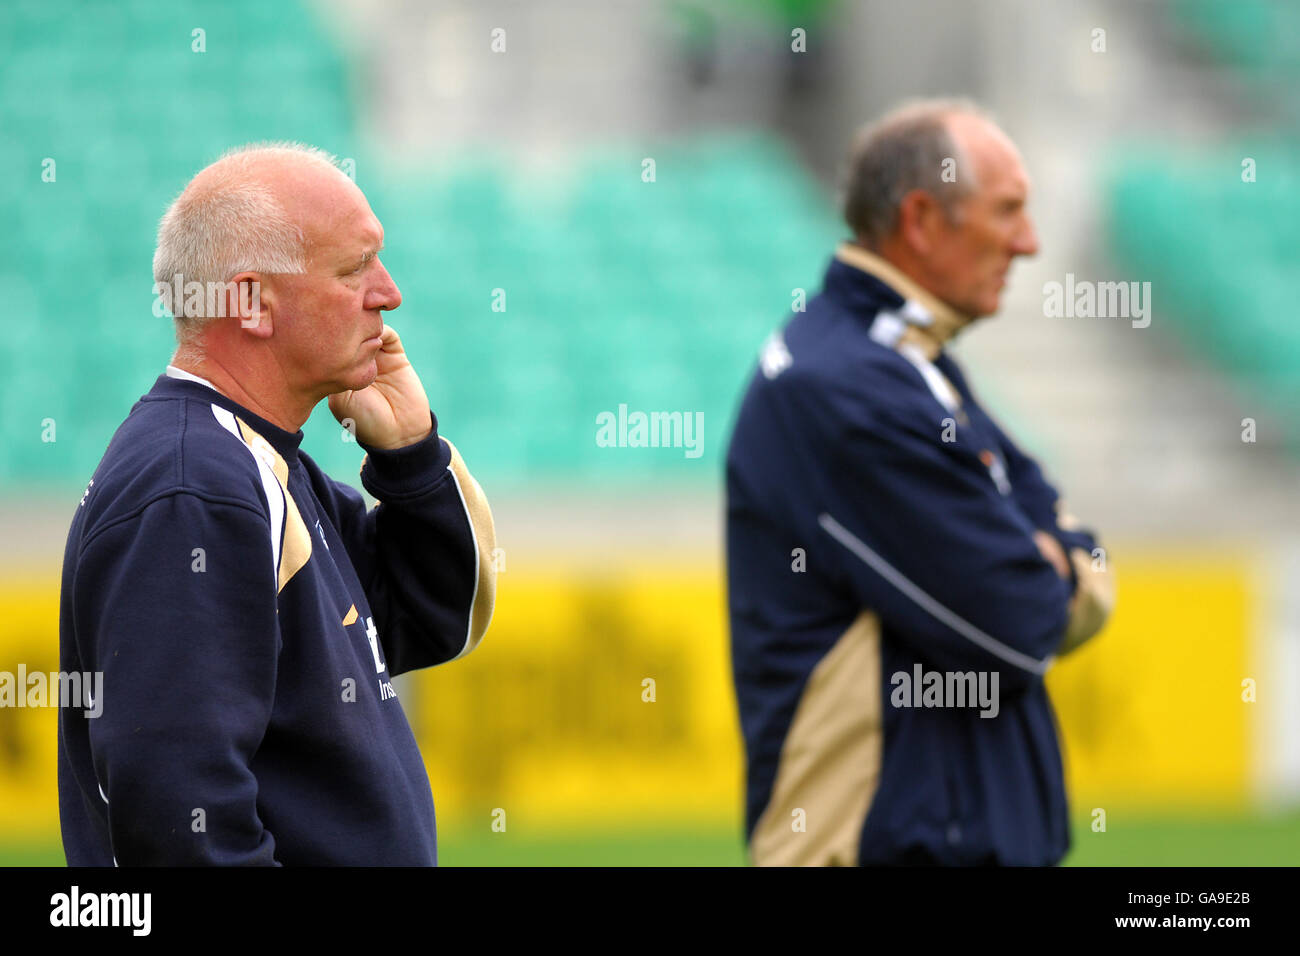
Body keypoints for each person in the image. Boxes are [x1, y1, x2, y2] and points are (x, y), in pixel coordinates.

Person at [57, 142, 497, 866]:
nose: (388, 293)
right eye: (355, 268)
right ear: (254, 303)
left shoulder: (259, 462)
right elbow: (183, 821)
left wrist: (411, 458)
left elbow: (430, 620)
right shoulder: (193, 487)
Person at [725, 99, 1115, 866]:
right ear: (923, 218)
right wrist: (1062, 568)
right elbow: (1019, 616)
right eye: (1007, 212)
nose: (1029, 243)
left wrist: (1048, 553)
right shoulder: (846, 387)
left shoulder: (899, 362)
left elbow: (1050, 517)